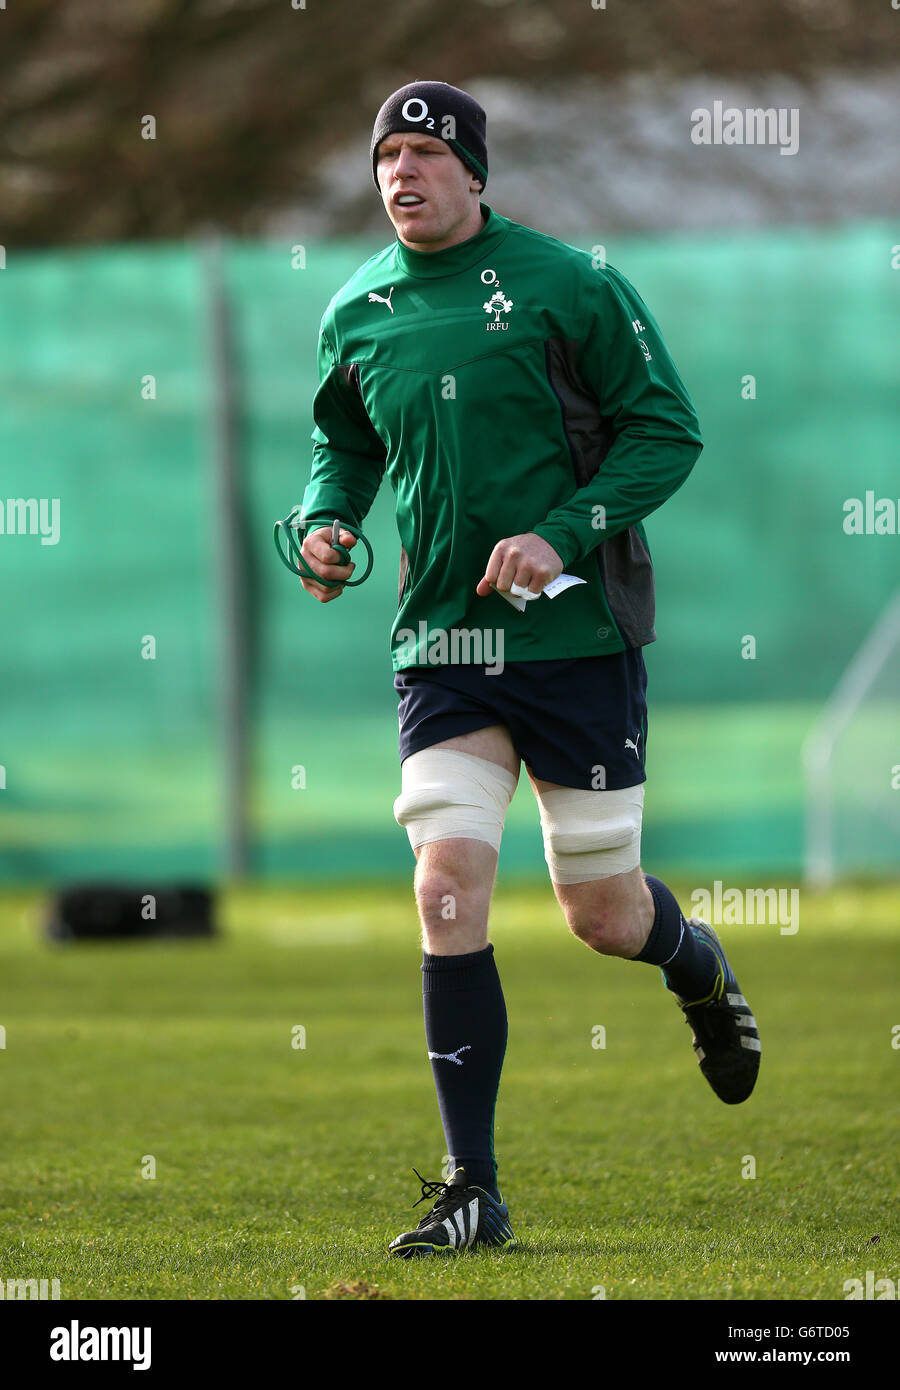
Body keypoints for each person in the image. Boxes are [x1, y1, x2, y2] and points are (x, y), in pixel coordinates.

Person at [295, 80, 760, 1258]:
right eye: (385, 155)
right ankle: (472, 1189)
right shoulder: (357, 307)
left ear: (475, 173)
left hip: (573, 637)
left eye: (424, 154)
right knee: (446, 884)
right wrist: (322, 522)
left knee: (602, 915)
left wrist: (564, 528)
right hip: (442, 645)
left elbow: (669, 429)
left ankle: (698, 968)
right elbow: (340, 444)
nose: (401, 174)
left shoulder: (570, 283)